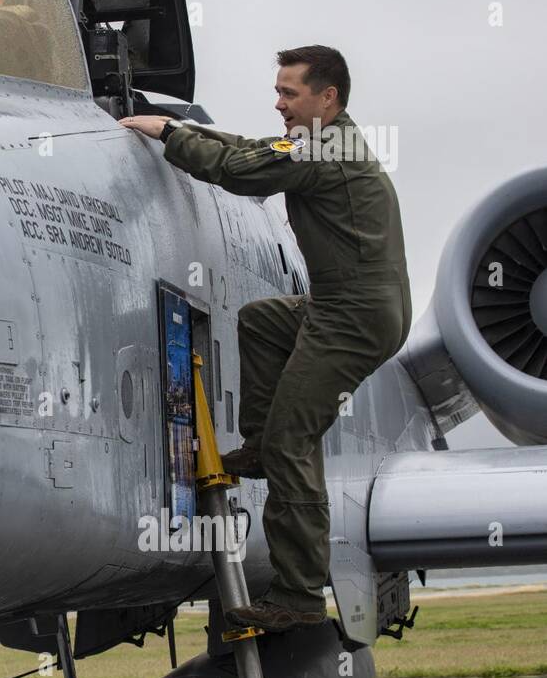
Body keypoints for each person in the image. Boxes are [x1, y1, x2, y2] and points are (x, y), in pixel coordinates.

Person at [119, 45, 411, 632]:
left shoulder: (324, 151)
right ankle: (258, 444)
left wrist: (168, 138)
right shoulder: (319, 142)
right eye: (278, 91)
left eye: (289, 93)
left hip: (353, 316)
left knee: (293, 443)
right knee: (260, 320)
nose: (278, 102)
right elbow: (255, 149)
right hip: (341, 303)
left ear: (326, 98)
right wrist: (178, 127)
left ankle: (299, 597)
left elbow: (238, 171)